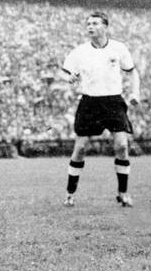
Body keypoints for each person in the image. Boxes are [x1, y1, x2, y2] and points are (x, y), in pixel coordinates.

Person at [59, 11, 140, 207]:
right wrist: (69, 78)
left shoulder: (118, 48)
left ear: (105, 27)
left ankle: (123, 193)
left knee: (122, 146)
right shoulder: (80, 51)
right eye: (88, 24)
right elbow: (64, 72)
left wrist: (135, 93)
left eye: (95, 23)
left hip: (113, 102)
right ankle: (70, 194)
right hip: (90, 103)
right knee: (80, 148)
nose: (90, 27)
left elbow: (132, 72)